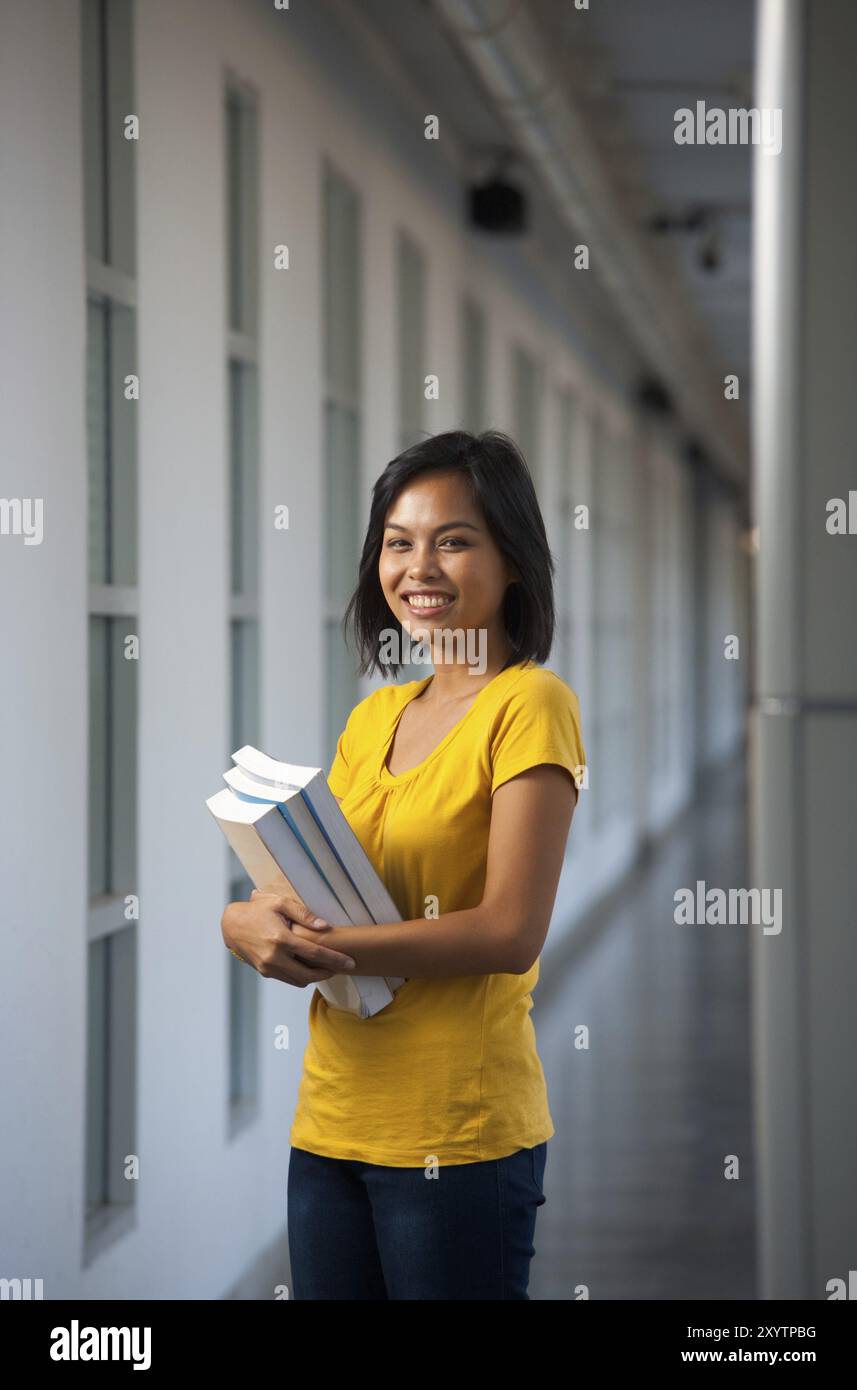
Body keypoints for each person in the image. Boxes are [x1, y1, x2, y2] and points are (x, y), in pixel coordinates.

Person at [221, 429, 587, 1299]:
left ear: (513, 563)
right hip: (333, 1121)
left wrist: (332, 947)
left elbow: (509, 932)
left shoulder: (530, 704)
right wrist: (244, 920)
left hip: (457, 1133)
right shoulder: (375, 717)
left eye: (453, 540)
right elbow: (313, 882)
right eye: (398, 542)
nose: (418, 566)